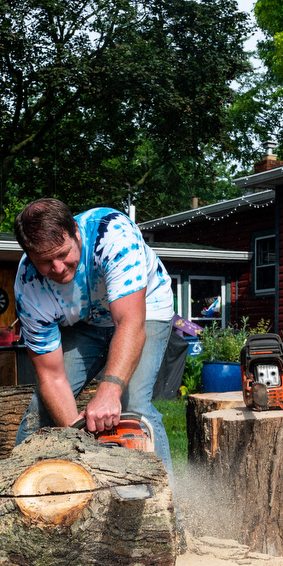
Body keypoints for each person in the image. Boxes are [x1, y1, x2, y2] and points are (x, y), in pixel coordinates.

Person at [12, 197, 175, 473]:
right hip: (85, 321)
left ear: (76, 231)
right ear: (29, 256)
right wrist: (77, 438)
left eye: (63, 254)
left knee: (133, 404)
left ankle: (165, 508)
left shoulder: (113, 235)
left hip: (144, 310)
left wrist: (110, 390)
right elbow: (51, 376)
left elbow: (130, 324)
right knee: (41, 411)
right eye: (45, 261)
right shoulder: (29, 286)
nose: (58, 268)